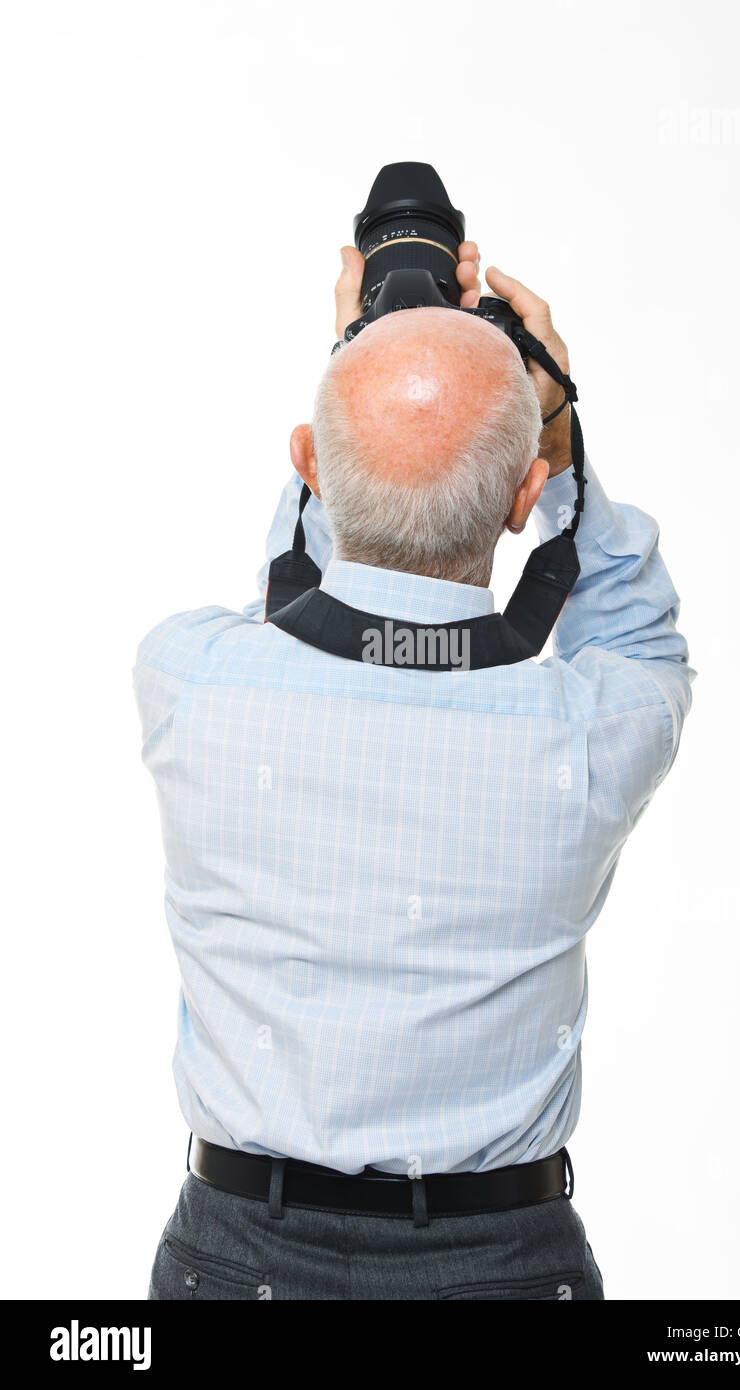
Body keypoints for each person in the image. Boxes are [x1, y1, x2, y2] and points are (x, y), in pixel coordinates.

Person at [134, 239, 694, 1300]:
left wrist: (359, 368)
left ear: (309, 463)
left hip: (237, 1258)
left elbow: (294, 615)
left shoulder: (190, 679)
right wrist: (563, 438)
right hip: (503, 1263)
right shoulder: (588, 727)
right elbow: (642, 641)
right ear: (525, 494)